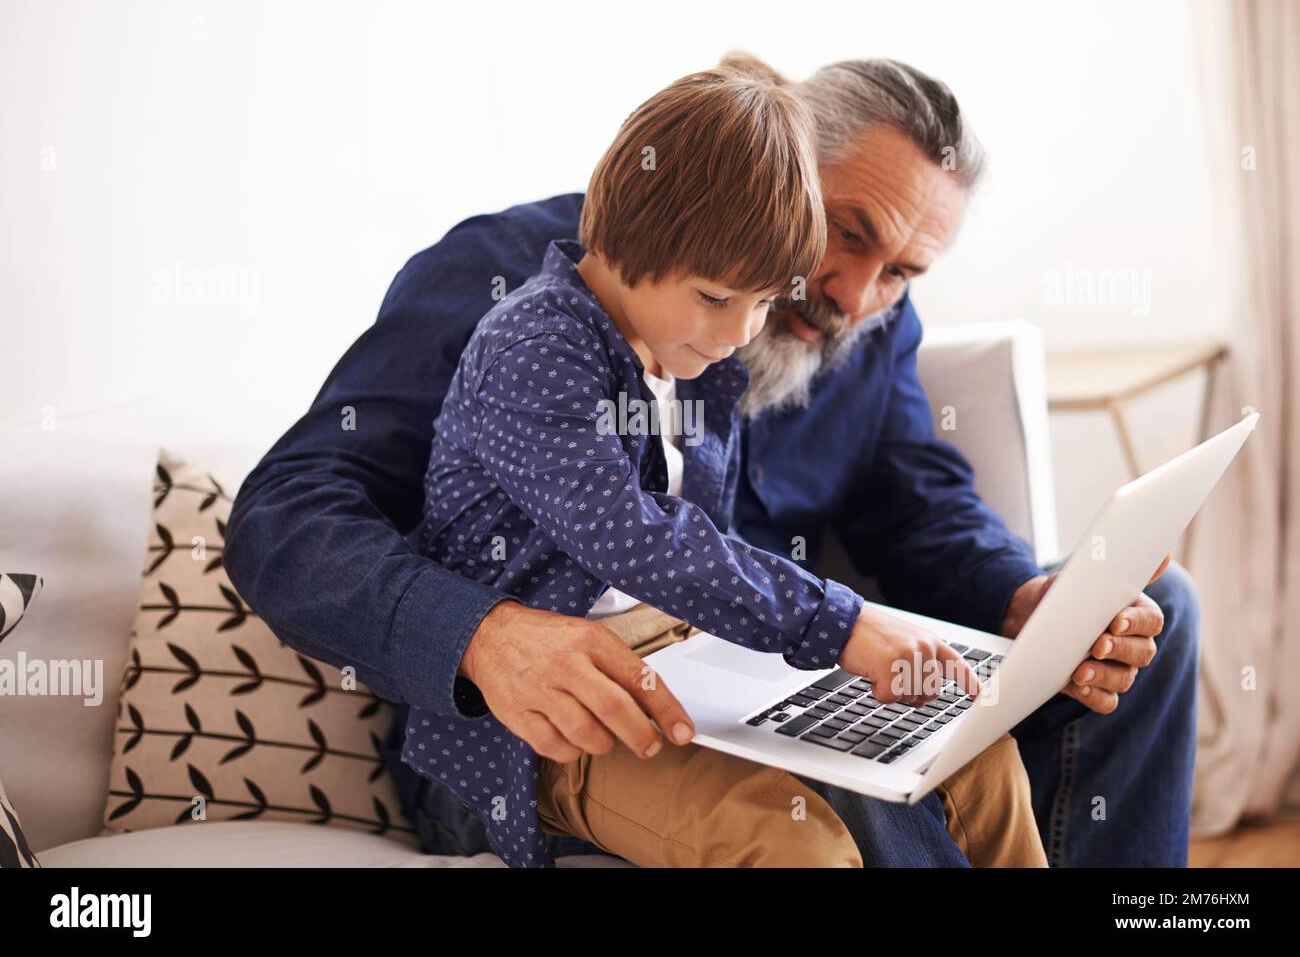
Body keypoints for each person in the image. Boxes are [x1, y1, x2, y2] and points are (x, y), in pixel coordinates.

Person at [225, 53, 1197, 867]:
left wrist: (1021, 594)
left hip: (758, 674)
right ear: (773, 169)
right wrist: (480, 632)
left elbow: (920, 505)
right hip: (576, 723)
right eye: (845, 233)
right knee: (857, 781)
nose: (854, 296)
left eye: (900, 272)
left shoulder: (842, 326)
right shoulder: (508, 289)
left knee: (1156, 616)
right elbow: (289, 516)